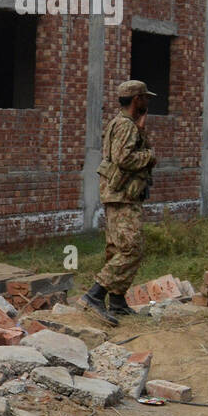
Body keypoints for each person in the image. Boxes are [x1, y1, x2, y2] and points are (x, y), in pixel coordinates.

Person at [80, 80, 158, 325]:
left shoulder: (123, 123)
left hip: (117, 193)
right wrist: (150, 156)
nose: (147, 102)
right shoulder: (126, 126)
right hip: (124, 195)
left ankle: (116, 301)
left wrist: (141, 129)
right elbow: (125, 158)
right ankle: (95, 295)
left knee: (116, 247)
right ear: (137, 100)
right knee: (131, 249)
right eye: (145, 98)